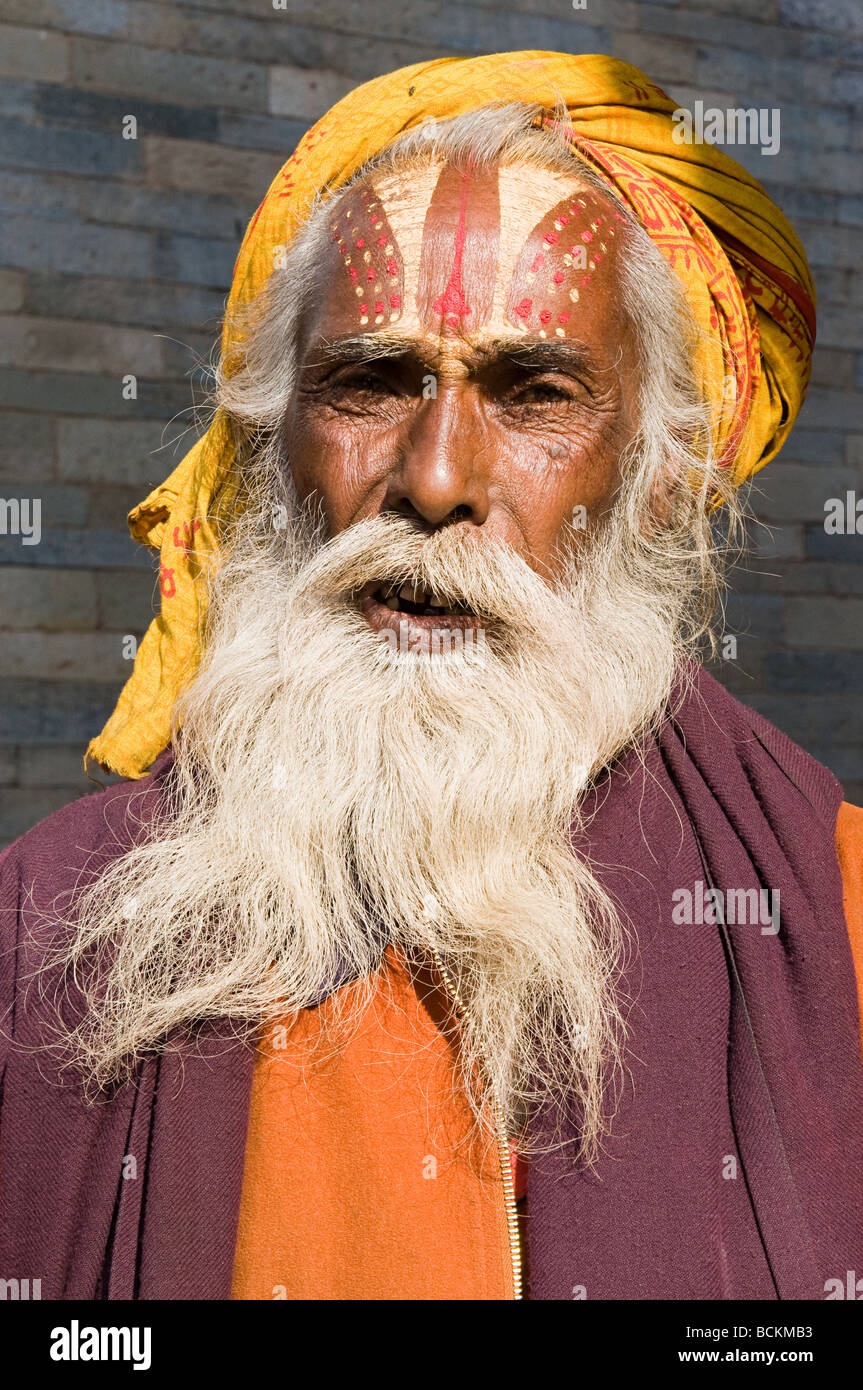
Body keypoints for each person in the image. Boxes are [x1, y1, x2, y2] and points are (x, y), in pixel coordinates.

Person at [2, 51, 862, 1302]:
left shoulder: (838, 912)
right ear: (269, 443)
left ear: (656, 478)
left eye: (534, 393)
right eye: (369, 380)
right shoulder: (42, 926)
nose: (437, 476)